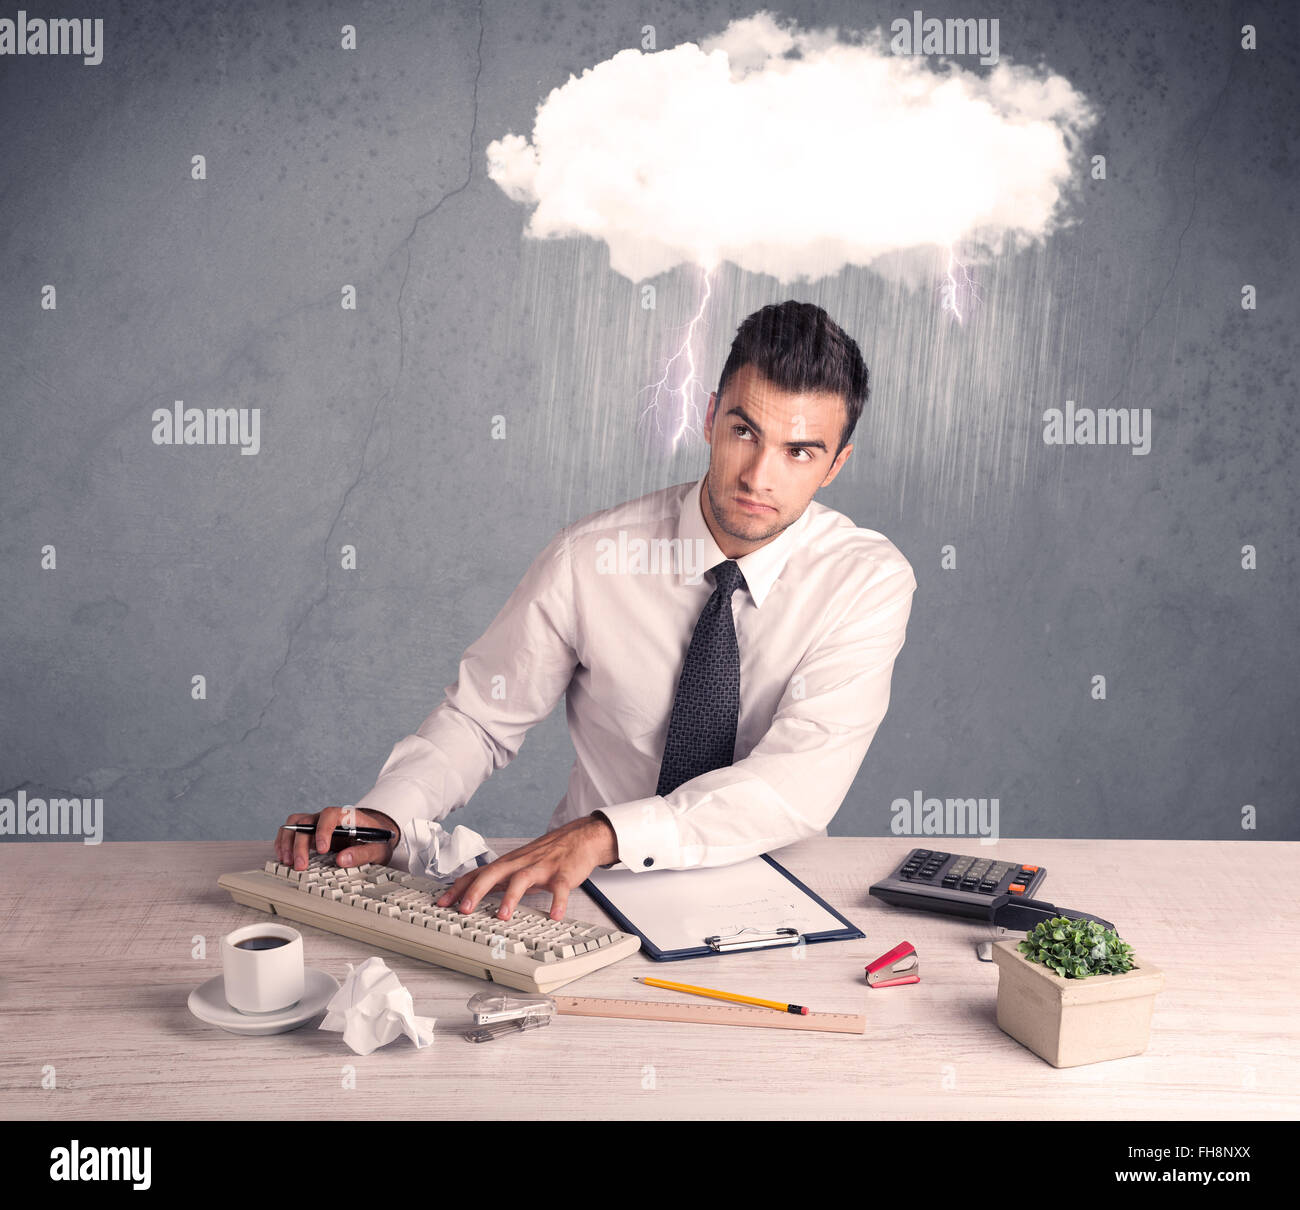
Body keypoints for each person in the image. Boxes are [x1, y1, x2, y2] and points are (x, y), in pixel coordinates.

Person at [275, 300, 917, 924]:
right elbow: (481, 717)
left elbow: (793, 783)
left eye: (798, 452)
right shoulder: (590, 558)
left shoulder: (865, 582)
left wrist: (605, 831)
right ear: (709, 416)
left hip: (779, 901)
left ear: (836, 464)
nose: (758, 477)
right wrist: (391, 814)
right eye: (743, 432)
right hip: (579, 893)